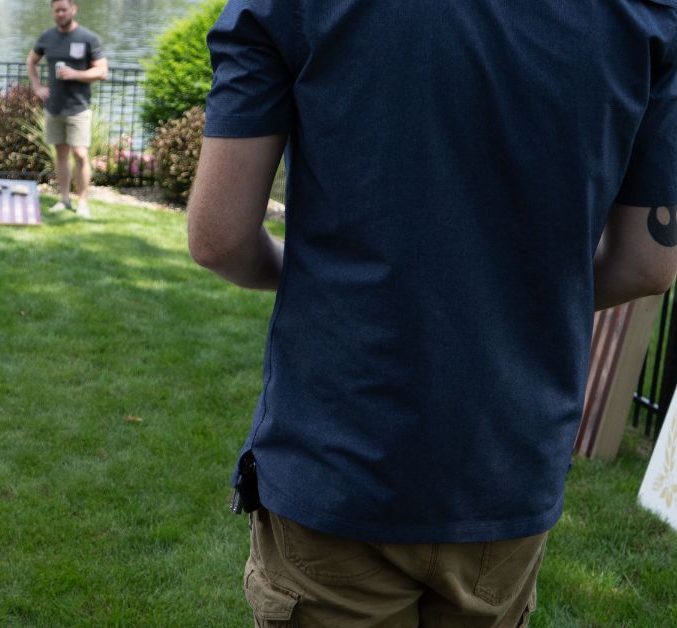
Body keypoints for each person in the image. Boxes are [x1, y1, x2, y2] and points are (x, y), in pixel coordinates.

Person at [186, 1, 677, 625]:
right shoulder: (649, 12)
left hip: (339, 459)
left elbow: (219, 238)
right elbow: (648, 264)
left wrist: (335, 284)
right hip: (507, 467)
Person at [26, 0, 107, 219]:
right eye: (57, 10)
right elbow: (31, 62)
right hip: (54, 107)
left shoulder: (88, 38)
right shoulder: (47, 37)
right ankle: (63, 199)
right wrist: (37, 87)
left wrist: (76, 74)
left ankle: (82, 201)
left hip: (78, 108)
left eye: (64, 9)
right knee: (60, 154)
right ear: (53, 12)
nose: (61, 14)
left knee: (80, 154)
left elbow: (102, 71)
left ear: (73, 9)